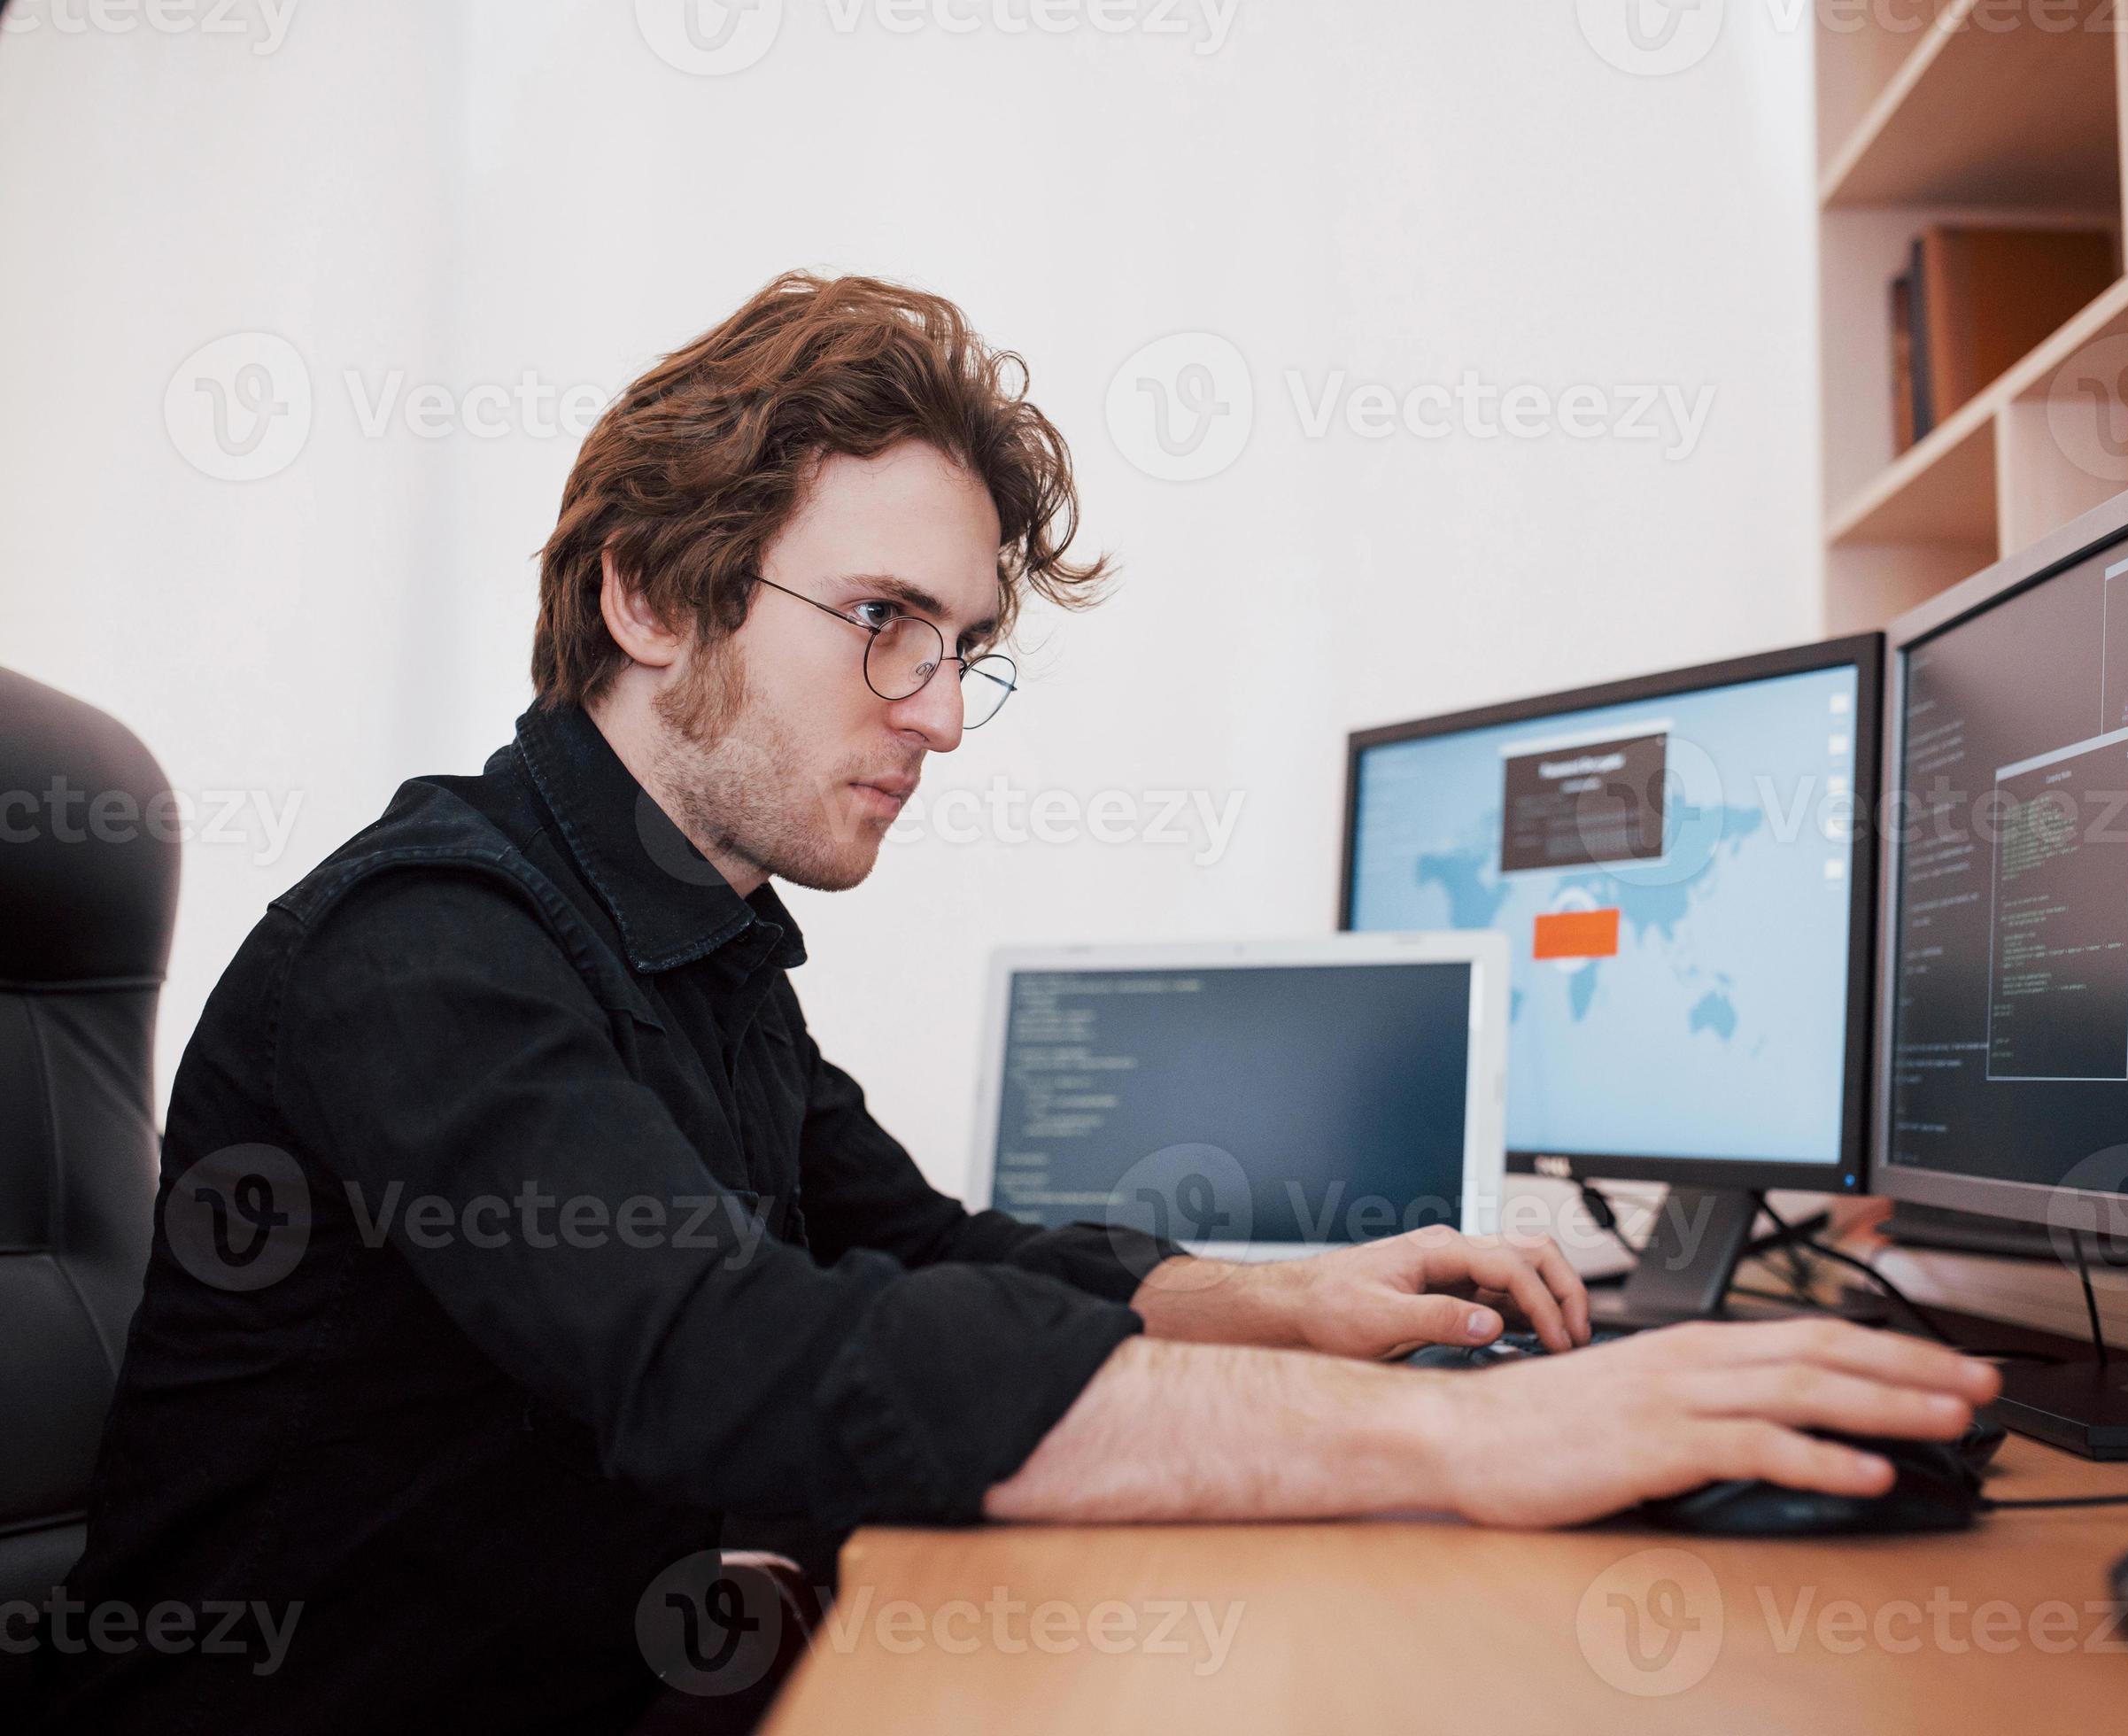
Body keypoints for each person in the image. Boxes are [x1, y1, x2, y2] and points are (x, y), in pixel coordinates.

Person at [43, 272, 1997, 1732]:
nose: (937, 714)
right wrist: (1473, 1446)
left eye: (964, 648)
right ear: (649, 597)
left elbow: (921, 1246)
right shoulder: (430, 948)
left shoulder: (696, 937)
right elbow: (745, 1361)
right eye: (883, 622)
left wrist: (1296, 1302)